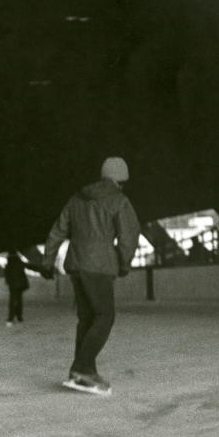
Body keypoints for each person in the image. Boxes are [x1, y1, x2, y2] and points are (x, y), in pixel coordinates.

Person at [43, 157, 140, 396]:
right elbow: (129, 236)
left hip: (76, 264)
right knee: (105, 316)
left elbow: (57, 231)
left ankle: (82, 373)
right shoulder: (119, 200)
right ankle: (82, 368)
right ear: (121, 180)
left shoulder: (77, 198)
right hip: (99, 266)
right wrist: (124, 265)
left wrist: (47, 261)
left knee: (87, 318)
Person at [4, 252, 29, 326]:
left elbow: (7, 275)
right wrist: (42, 269)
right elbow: (31, 266)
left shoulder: (8, 266)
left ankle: (10, 318)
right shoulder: (20, 263)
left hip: (12, 286)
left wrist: (8, 282)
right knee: (19, 300)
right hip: (20, 285)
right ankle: (19, 317)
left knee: (12, 301)